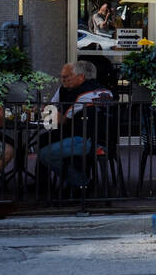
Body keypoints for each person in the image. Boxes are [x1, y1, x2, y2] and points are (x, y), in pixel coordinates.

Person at [37, 60, 115, 192]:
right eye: (62, 77)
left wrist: (44, 111)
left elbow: (61, 119)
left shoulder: (81, 94)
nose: (63, 80)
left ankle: (82, 183)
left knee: (45, 154)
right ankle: (50, 185)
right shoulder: (106, 91)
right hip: (108, 140)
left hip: (87, 141)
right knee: (46, 139)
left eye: (67, 77)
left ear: (81, 77)